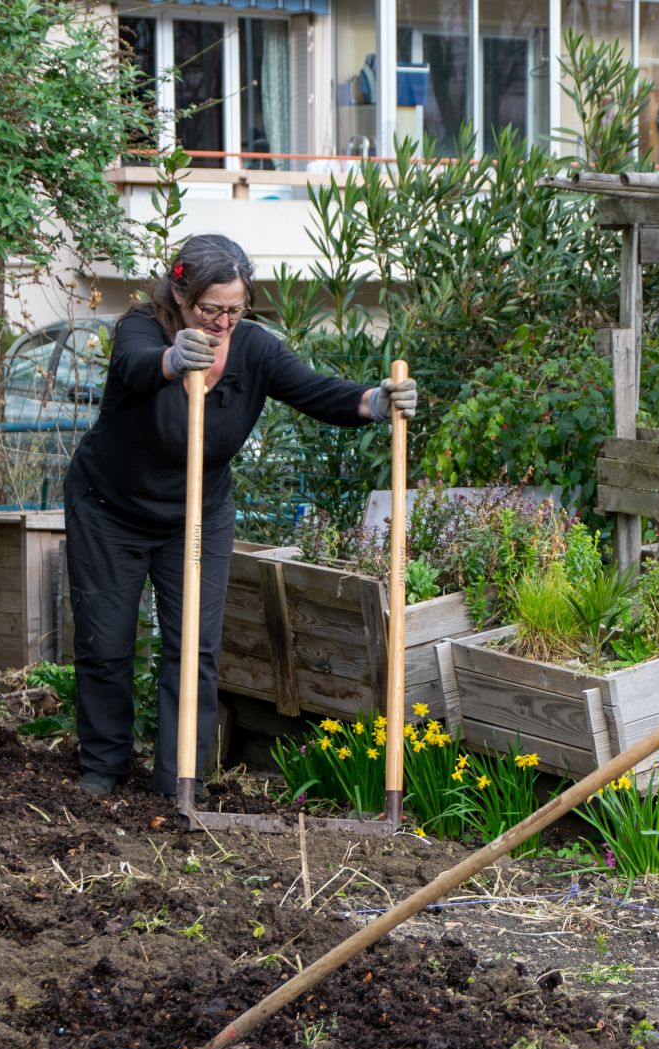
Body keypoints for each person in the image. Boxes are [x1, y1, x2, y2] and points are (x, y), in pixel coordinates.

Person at [64, 234, 417, 797]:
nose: (225, 320)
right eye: (211, 309)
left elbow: (317, 392)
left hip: (197, 517)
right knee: (106, 641)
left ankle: (180, 776)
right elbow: (133, 367)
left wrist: (376, 402)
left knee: (194, 646)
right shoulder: (142, 328)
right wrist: (171, 360)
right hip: (111, 511)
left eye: (235, 308)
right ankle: (103, 766)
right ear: (181, 296)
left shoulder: (253, 348)